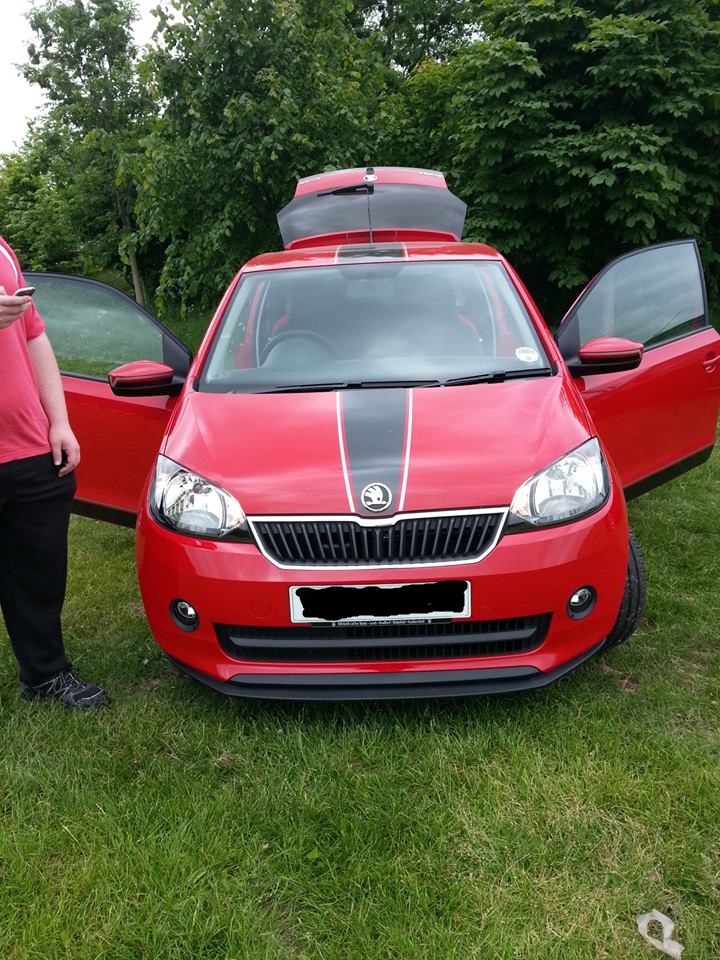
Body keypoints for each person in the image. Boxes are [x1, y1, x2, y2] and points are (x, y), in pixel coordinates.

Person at [0, 235, 106, 708]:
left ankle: (44, 675)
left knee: (38, 571)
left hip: (28, 444)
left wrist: (58, 421)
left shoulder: (2, 249)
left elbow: (34, 335)